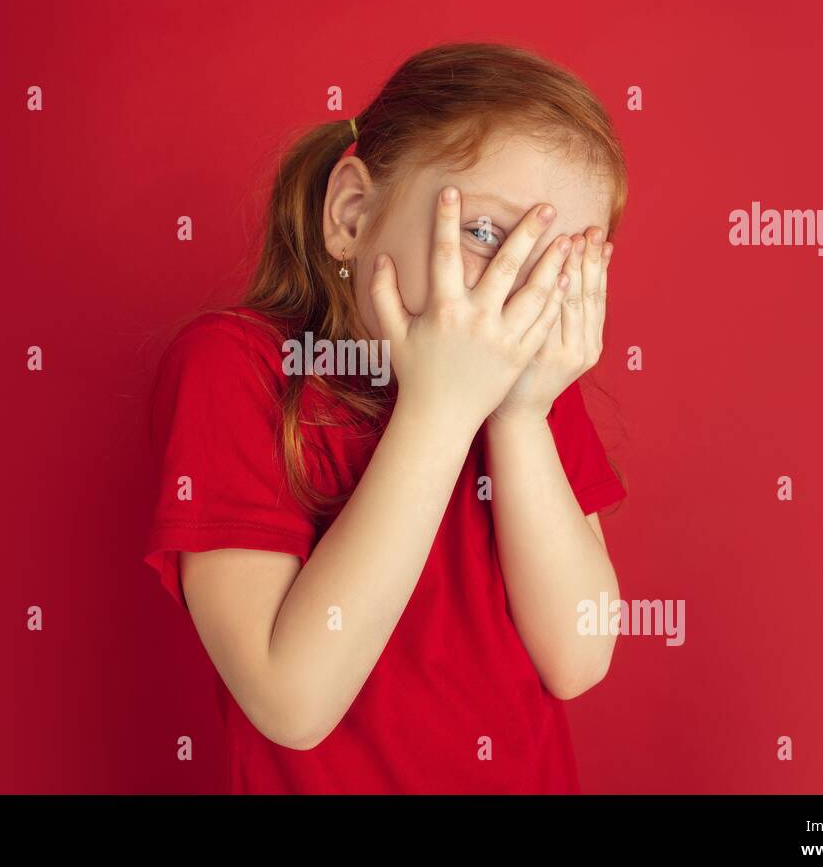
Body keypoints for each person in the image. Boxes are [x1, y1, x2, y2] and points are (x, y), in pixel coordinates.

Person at [144, 41, 628, 793]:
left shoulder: (531, 395)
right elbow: (290, 700)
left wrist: (522, 414)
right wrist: (439, 409)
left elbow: (578, 658)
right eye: (487, 236)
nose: (513, 289)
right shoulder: (235, 368)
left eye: (554, 267)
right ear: (353, 212)